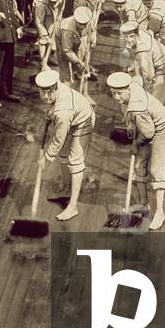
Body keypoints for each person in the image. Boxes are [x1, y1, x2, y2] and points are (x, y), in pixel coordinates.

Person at [107, 71, 165, 231]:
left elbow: (149, 133)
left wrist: (136, 143)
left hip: (159, 130)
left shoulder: (138, 107)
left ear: (128, 89)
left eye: (119, 93)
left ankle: (160, 213)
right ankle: (143, 205)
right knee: (138, 169)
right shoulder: (129, 91)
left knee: (156, 171)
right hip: (145, 127)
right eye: (113, 93)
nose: (116, 97)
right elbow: (137, 80)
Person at [35, 69, 94, 221]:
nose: (46, 97)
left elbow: (58, 139)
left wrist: (46, 158)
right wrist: (50, 112)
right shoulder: (55, 89)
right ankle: (66, 189)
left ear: (55, 87)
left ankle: (72, 207)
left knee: (75, 161)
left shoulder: (63, 111)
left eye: (49, 93)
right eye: (43, 93)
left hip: (83, 121)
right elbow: (55, 108)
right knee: (63, 155)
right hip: (72, 117)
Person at [119, 20, 165, 101]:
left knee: (154, 102)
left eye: (132, 36)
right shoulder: (142, 33)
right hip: (160, 59)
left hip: (161, 72)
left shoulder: (143, 51)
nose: (129, 40)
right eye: (126, 37)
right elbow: (150, 32)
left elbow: (149, 76)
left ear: (137, 35)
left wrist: (142, 86)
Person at [74, 0, 105, 77]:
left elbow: (99, 5)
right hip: (82, 19)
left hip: (93, 18)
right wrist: (87, 28)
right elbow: (79, 17)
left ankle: (88, 64)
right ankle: (79, 71)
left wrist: (94, 22)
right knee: (83, 46)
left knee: (92, 44)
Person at [57, 6, 93, 85]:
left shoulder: (87, 19)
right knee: (64, 62)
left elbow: (90, 31)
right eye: (81, 24)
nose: (83, 27)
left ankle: (79, 73)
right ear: (76, 21)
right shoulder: (67, 30)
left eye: (85, 24)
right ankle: (66, 82)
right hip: (62, 40)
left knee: (81, 57)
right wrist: (78, 61)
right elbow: (66, 50)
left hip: (77, 37)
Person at [32, 0, 64, 72]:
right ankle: (43, 62)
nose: (54, 3)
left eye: (55, 2)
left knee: (52, 34)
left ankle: (49, 57)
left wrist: (58, 19)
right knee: (43, 39)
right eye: (52, 2)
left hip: (52, 14)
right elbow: (38, 22)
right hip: (41, 14)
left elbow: (61, 8)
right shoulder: (41, 4)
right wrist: (46, 36)